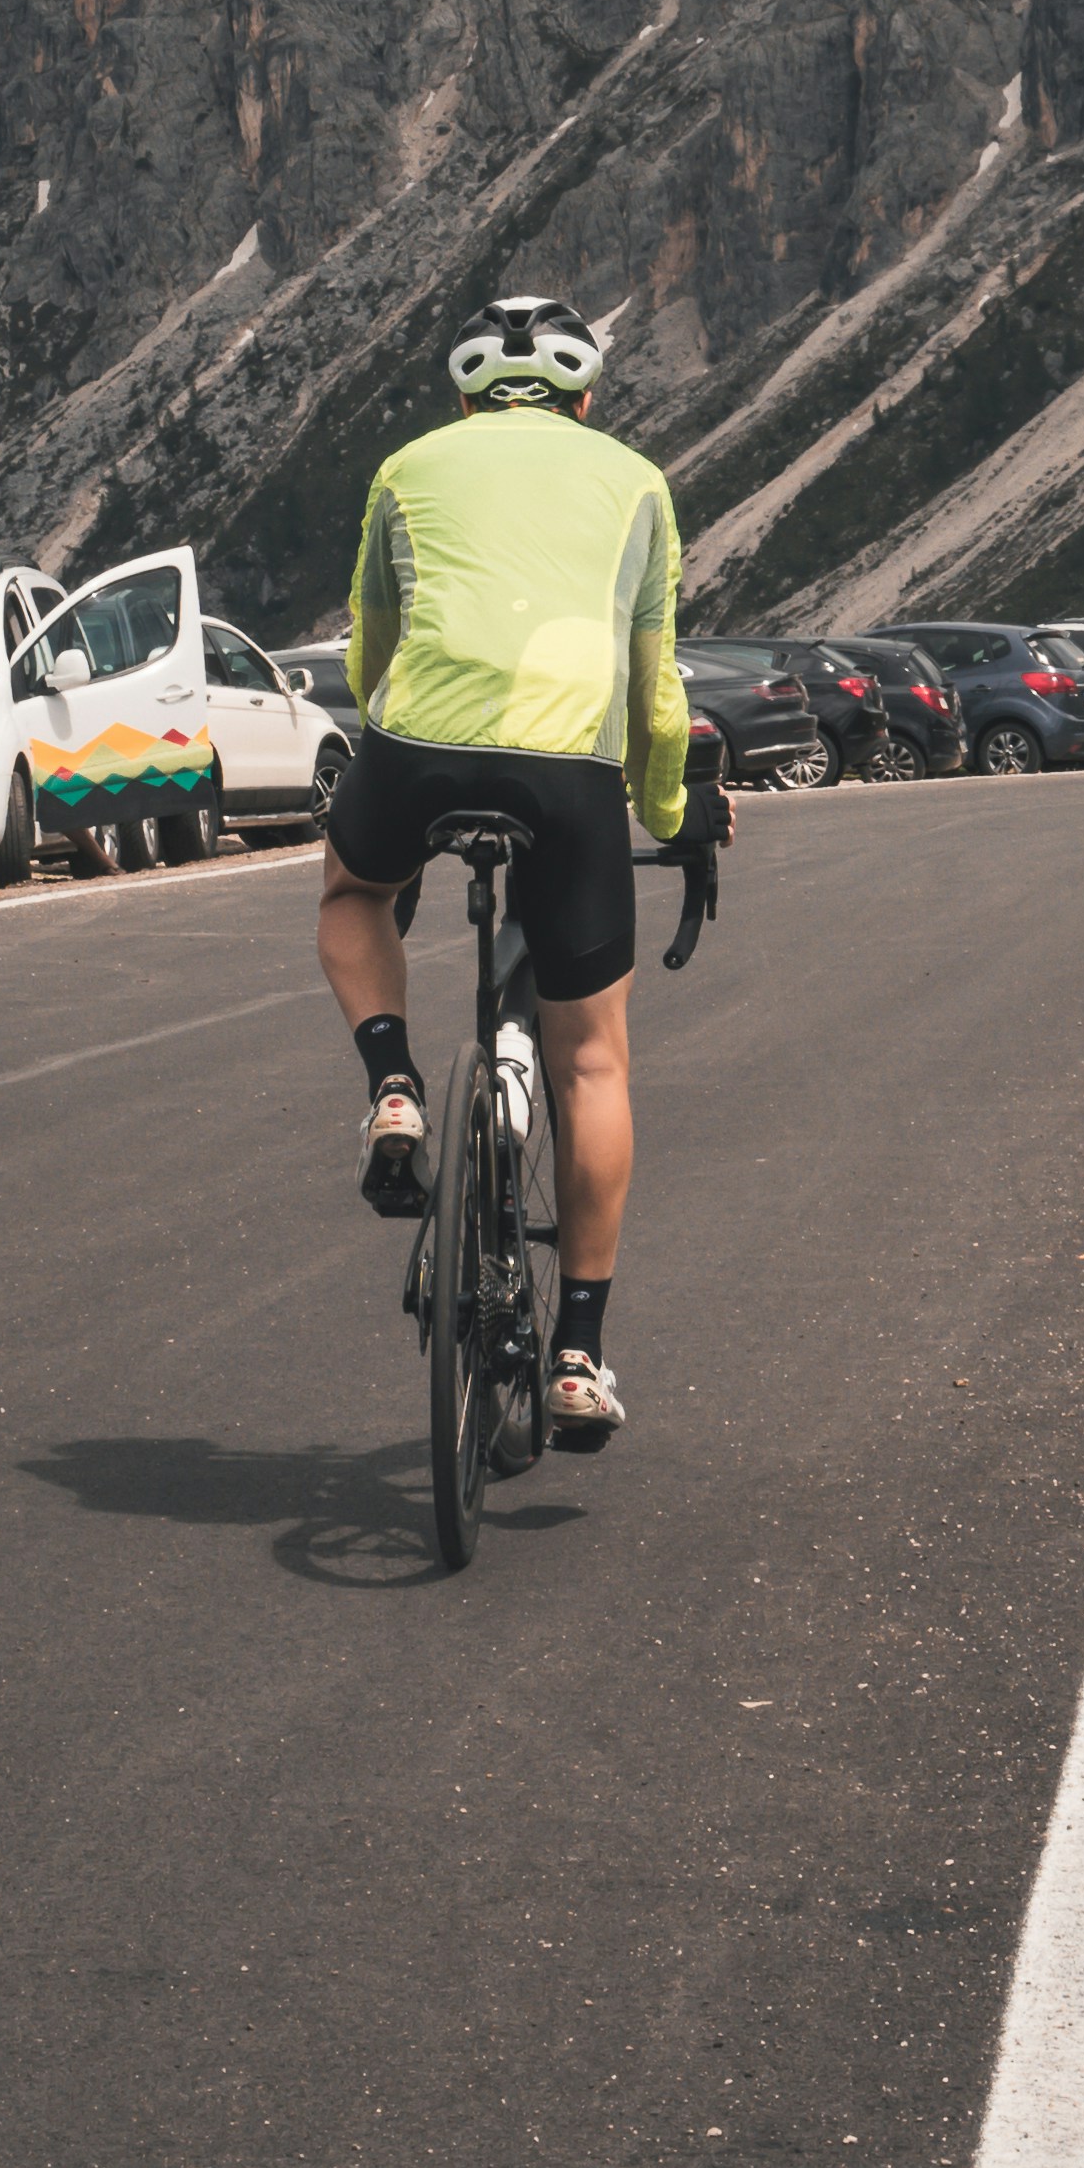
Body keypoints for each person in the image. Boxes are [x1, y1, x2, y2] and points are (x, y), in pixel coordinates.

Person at [314, 293, 720, 1450]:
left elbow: (368, 648)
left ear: (464, 397)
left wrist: (397, 737)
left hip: (414, 748)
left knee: (353, 892)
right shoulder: (637, 479)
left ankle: (393, 1085)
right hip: (567, 776)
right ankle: (580, 1352)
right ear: (588, 399)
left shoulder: (406, 466)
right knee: (592, 1057)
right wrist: (668, 807)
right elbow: (653, 688)